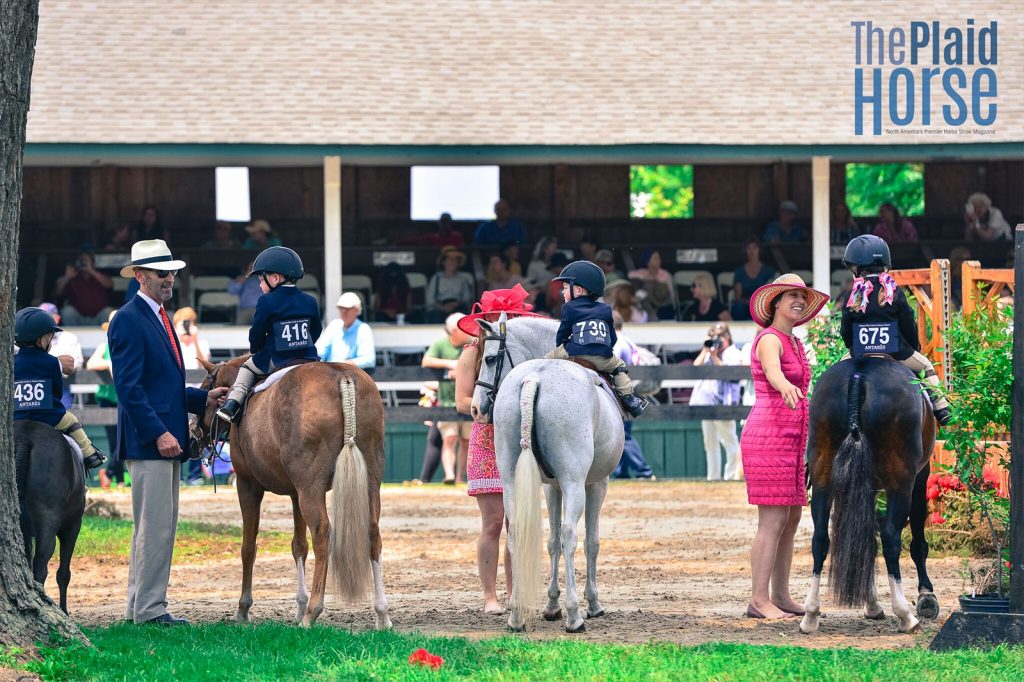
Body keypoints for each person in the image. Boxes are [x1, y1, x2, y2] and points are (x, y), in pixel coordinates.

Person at [107, 239, 228, 625]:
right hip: (151, 442)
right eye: (162, 272)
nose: (169, 278)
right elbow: (129, 388)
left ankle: (137, 607)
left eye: (172, 271)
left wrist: (205, 399)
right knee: (156, 529)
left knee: (152, 528)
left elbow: (166, 387)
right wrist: (159, 433)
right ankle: (150, 610)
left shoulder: (157, 316)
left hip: (160, 438)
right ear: (140, 276)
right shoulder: (129, 318)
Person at [740, 273, 829, 619]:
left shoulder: (795, 342)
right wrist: (784, 387)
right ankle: (758, 599)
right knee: (773, 519)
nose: (799, 300)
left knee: (791, 517)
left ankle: (779, 594)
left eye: (802, 297)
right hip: (769, 435)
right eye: (792, 295)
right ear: (775, 302)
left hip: (793, 438)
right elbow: (773, 372)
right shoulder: (769, 339)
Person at [454, 285, 547, 612]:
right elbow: (462, 401)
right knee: (493, 521)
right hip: (486, 440)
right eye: (496, 319)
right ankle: (490, 596)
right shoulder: (471, 352)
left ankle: (514, 592)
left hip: (519, 441)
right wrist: (494, 406)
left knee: (517, 523)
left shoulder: (526, 353)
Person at [840, 235, 951, 424]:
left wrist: (852, 345)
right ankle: (942, 409)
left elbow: (846, 330)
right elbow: (908, 322)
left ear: (857, 267)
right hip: (896, 351)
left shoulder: (855, 293)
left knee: (836, 371)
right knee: (926, 366)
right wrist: (913, 346)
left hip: (860, 352)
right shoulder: (893, 290)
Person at [216, 247, 322, 422]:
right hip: (308, 356)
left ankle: (232, 404)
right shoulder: (310, 299)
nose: (259, 284)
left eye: (261, 279)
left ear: (275, 278)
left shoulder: (266, 301)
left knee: (246, 367)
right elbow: (316, 330)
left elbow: (257, 332)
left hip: (278, 359)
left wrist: (256, 348)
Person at [546, 261, 649, 418]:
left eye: (566, 287)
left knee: (543, 362)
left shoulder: (568, 308)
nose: (562, 292)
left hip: (575, 354)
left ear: (579, 290)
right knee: (619, 367)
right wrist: (603, 349)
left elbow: (562, 334)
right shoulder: (606, 309)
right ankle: (630, 400)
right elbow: (612, 338)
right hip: (602, 356)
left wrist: (564, 347)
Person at [13, 307, 106, 470]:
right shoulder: (52, 362)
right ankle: (90, 454)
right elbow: (56, 391)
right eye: (50, 335)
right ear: (41, 339)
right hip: (48, 417)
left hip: (14, 417)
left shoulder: (10, 362)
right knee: (71, 419)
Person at [421, 313, 472, 484]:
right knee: (449, 438)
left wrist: (459, 370)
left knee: (466, 441)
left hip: (467, 399)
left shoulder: (471, 342)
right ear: (455, 330)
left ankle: (460, 477)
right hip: (447, 400)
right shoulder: (441, 344)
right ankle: (450, 475)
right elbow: (426, 361)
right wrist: (450, 364)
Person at [689, 323, 743, 481]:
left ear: (726, 338)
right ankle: (713, 477)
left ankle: (730, 476)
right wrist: (706, 349)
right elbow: (695, 367)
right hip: (707, 403)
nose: (717, 342)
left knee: (729, 441)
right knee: (710, 442)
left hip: (724, 403)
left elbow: (730, 374)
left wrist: (714, 357)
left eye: (719, 338)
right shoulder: (710, 351)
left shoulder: (733, 352)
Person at [610, 312, 655, 479]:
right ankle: (620, 472)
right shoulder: (627, 340)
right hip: (629, 390)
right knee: (621, 433)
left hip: (621, 391)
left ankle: (644, 471)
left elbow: (613, 365)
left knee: (624, 435)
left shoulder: (618, 342)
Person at [87, 309, 124, 490]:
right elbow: (91, 363)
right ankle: (119, 479)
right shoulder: (104, 347)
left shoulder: (128, 343)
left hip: (124, 398)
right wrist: (109, 364)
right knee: (113, 441)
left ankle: (109, 473)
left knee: (122, 438)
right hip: (108, 398)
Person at [314, 292, 376, 370]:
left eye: (347, 308)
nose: (344, 311)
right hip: (330, 373)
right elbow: (321, 351)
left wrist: (343, 364)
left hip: (353, 376)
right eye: (341, 308)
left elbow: (369, 360)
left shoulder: (363, 329)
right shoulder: (334, 325)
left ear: (356, 310)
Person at [37, 302, 82, 409]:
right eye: (40, 317)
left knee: (61, 420)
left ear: (57, 318)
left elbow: (78, 361)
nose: (43, 321)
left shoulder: (69, 338)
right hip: (38, 388)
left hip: (62, 386)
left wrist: (55, 367)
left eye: (47, 317)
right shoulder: (33, 337)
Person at [53, 250, 114, 325]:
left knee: (108, 312)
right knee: (67, 311)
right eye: (81, 260)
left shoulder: (99, 275)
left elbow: (109, 284)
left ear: (92, 263)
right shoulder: (72, 277)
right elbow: (57, 292)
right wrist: (67, 277)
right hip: (78, 317)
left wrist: (91, 270)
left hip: (98, 318)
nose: (83, 262)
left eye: (86, 260)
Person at [425, 246, 475, 323]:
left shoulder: (463, 279)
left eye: (455, 259)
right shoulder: (436, 278)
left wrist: (456, 304)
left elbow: (467, 298)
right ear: (444, 262)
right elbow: (430, 300)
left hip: (458, 308)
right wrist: (443, 308)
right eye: (450, 259)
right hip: (439, 309)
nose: (453, 262)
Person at [732, 237, 776, 320]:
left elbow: (769, 293)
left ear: (759, 250)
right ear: (745, 251)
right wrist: (748, 302)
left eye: (754, 247)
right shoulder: (739, 271)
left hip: (762, 304)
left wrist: (757, 302)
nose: (752, 251)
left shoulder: (768, 271)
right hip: (745, 304)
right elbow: (737, 296)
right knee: (738, 308)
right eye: (749, 248)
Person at [628, 249, 676, 320]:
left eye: (659, 258)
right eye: (656, 258)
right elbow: (630, 275)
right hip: (647, 305)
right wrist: (646, 278)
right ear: (648, 261)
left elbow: (672, 295)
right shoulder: (642, 272)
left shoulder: (665, 274)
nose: (659, 260)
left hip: (663, 304)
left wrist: (656, 282)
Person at [227, 260, 265, 325]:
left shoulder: (264, 278)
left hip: (260, 309)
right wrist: (247, 275)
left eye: (255, 267)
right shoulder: (240, 279)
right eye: (251, 268)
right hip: (244, 309)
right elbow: (232, 291)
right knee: (238, 330)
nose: (253, 270)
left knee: (262, 329)